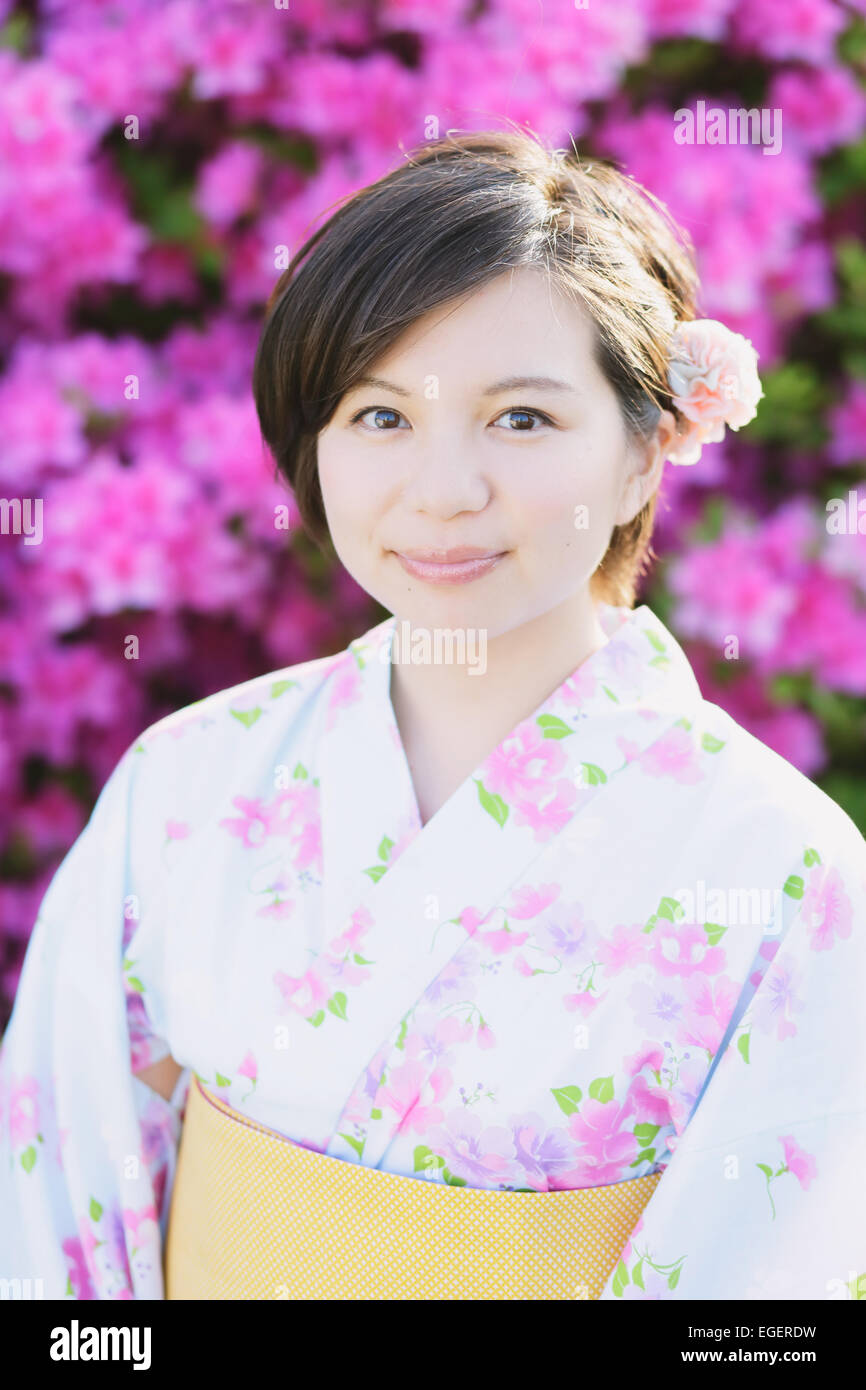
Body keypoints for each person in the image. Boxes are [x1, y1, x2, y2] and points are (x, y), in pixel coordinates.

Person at [1, 128, 864, 1302]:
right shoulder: (189, 780)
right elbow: (54, 1201)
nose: (443, 490)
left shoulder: (780, 863)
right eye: (378, 416)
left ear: (642, 453)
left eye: (521, 418)